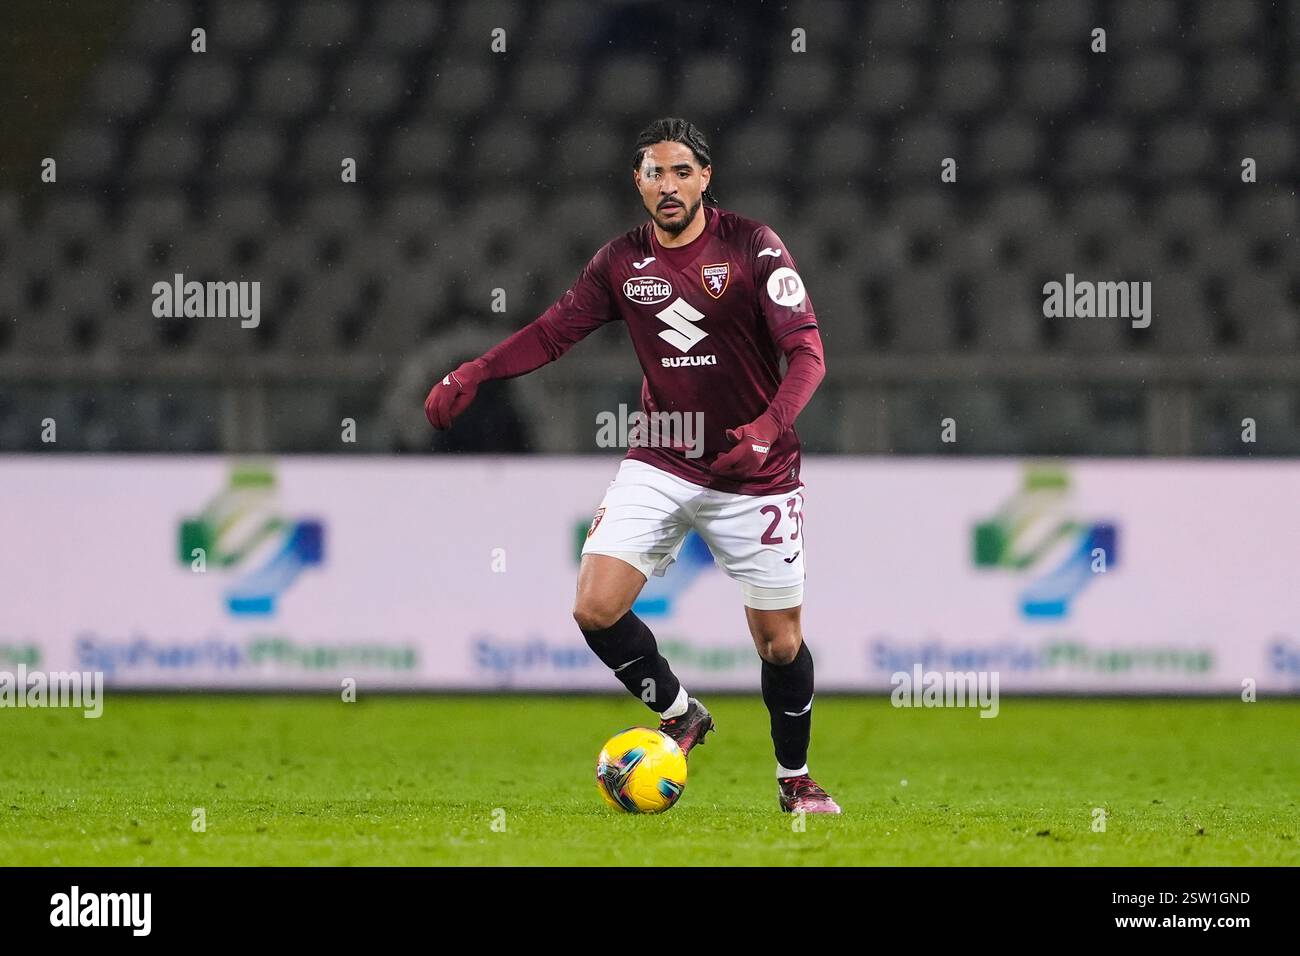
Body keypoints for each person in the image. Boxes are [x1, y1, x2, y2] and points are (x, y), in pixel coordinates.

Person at [425, 118, 838, 813]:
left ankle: (793, 778)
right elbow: (554, 332)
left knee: (778, 643)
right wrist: (477, 371)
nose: (668, 186)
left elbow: (809, 355)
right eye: (654, 173)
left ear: (706, 177)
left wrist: (769, 429)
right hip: (663, 456)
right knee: (594, 606)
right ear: (637, 183)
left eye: (681, 171)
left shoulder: (753, 246)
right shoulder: (620, 262)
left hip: (755, 472)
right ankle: (681, 714)